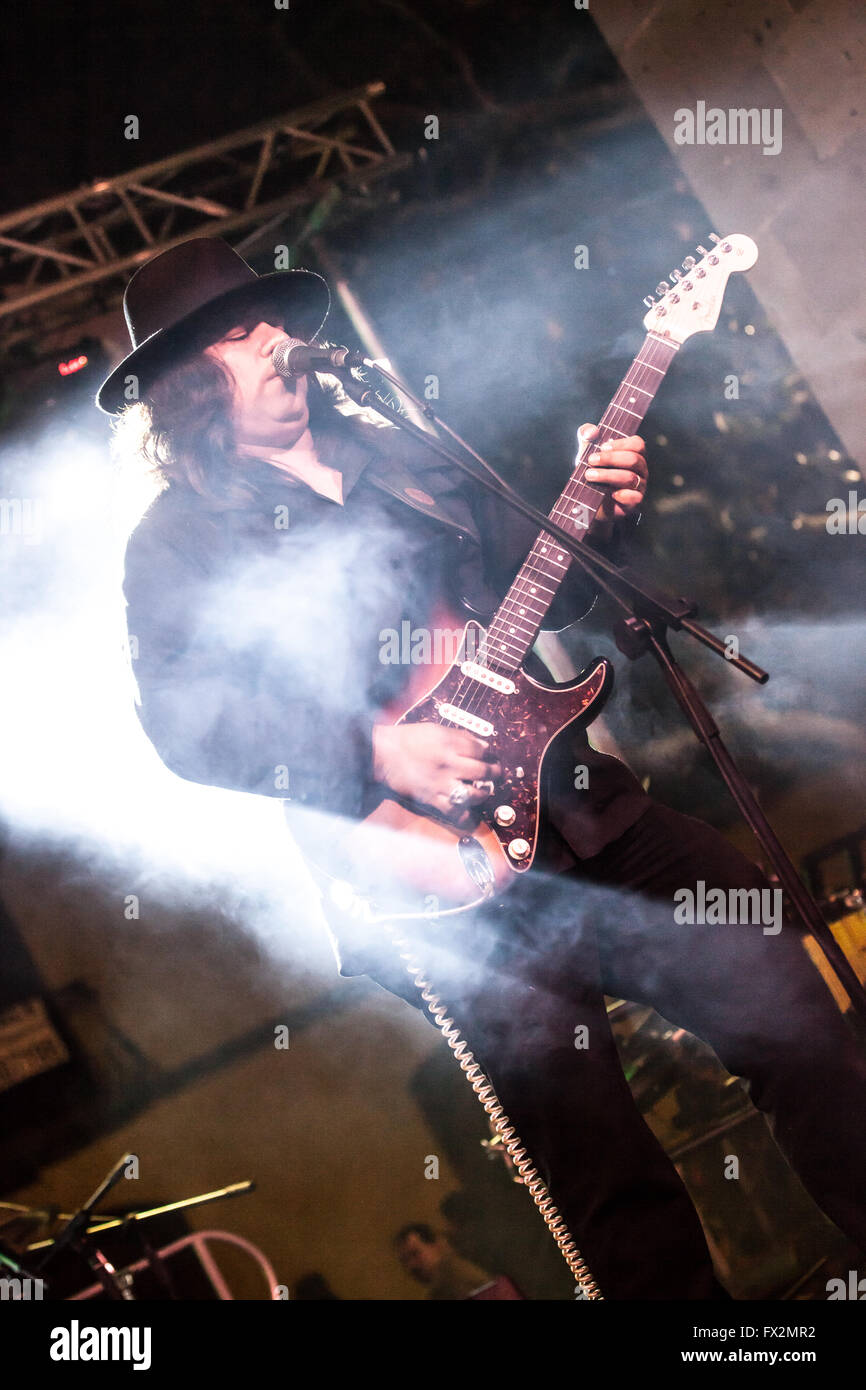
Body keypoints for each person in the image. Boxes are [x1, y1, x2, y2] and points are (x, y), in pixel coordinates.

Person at [99, 237, 866, 1300]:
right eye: (237, 331)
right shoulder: (176, 544)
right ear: (186, 382)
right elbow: (186, 725)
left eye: (274, 315)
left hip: (582, 809)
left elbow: (553, 588)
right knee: (602, 1166)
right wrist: (375, 745)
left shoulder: (410, 454)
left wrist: (603, 517)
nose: (275, 338)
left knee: (793, 1003)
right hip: (435, 879)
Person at [393, 1223, 523, 1300]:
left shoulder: (453, 1278)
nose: (411, 1266)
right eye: (405, 1261)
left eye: (415, 1254)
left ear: (435, 1245)